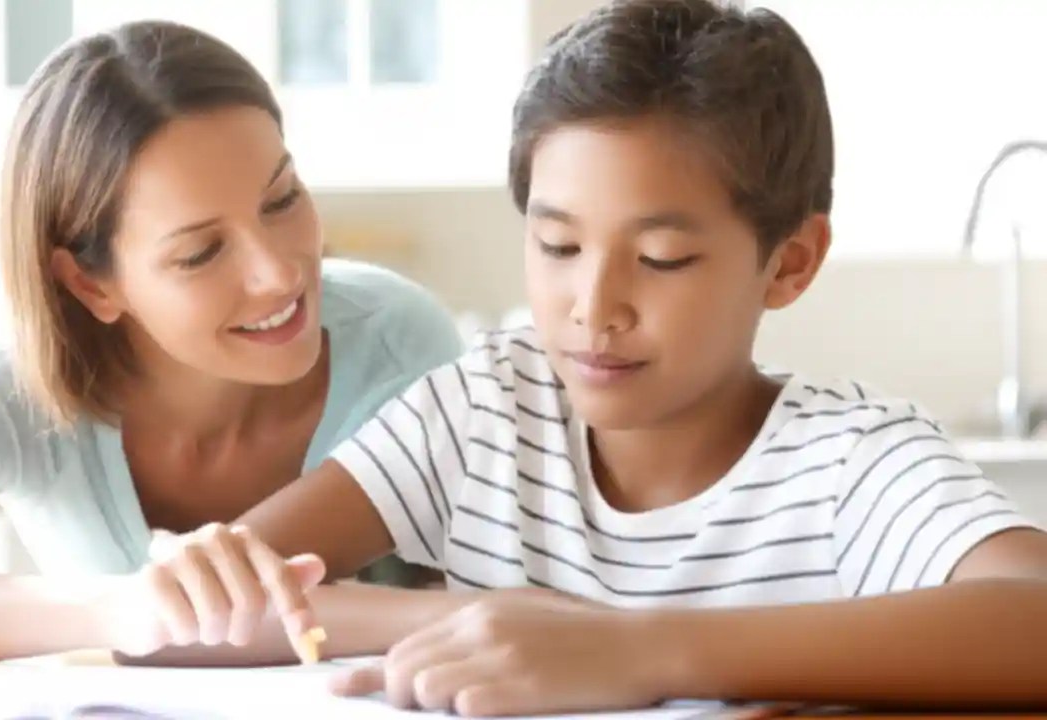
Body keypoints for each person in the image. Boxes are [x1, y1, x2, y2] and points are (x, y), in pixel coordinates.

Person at [134, 0, 1047, 715]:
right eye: (558, 247)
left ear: (790, 261)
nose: (592, 308)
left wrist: (641, 651)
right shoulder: (484, 409)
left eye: (661, 260)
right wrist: (480, 625)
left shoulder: (849, 463)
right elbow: (199, 608)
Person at [0, 20, 464, 677]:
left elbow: (478, 613)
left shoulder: (398, 342)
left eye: (281, 199)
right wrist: (114, 609)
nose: (280, 272)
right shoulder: (6, 384)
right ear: (89, 282)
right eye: (200, 252)